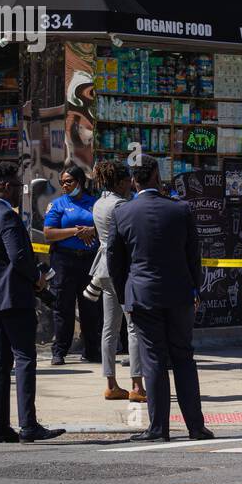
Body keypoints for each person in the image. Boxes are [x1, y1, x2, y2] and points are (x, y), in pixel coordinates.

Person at [107, 155, 213, 442]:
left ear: (133, 180)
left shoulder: (123, 213)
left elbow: (114, 261)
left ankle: (158, 428)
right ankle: (195, 426)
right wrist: (196, 289)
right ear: (156, 176)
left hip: (142, 295)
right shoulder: (180, 210)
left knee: (153, 360)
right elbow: (194, 256)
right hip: (179, 293)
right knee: (184, 358)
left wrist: (124, 294)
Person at [0, 161, 65, 443]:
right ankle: (28, 424)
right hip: (14, 296)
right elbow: (19, 258)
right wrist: (38, 278)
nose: (20, 193)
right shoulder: (7, 217)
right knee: (25, 359)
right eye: (18, 187)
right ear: (8, 187)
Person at [90, 160, 145, 403]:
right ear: (122, 182)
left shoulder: (99, 203)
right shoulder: (121, 205)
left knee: (109, 328)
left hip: (103, 269)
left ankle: (111, 383)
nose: (130, 186)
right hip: (122, 270)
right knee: (133, 327)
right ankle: (137, 384)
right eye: (128, 182)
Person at [42, 164, 102, 368]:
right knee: (63, 307)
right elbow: (49, 233)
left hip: (88, 259)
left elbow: (105, 227)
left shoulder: (94, 203)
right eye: (62, 182)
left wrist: (92, 230)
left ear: (80, 182)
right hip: (64, 260)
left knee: (90, 307)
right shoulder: (58, 204)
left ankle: (92, 350)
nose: (65, 185)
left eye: (69, 181)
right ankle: (59, 351)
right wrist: (75, 232)